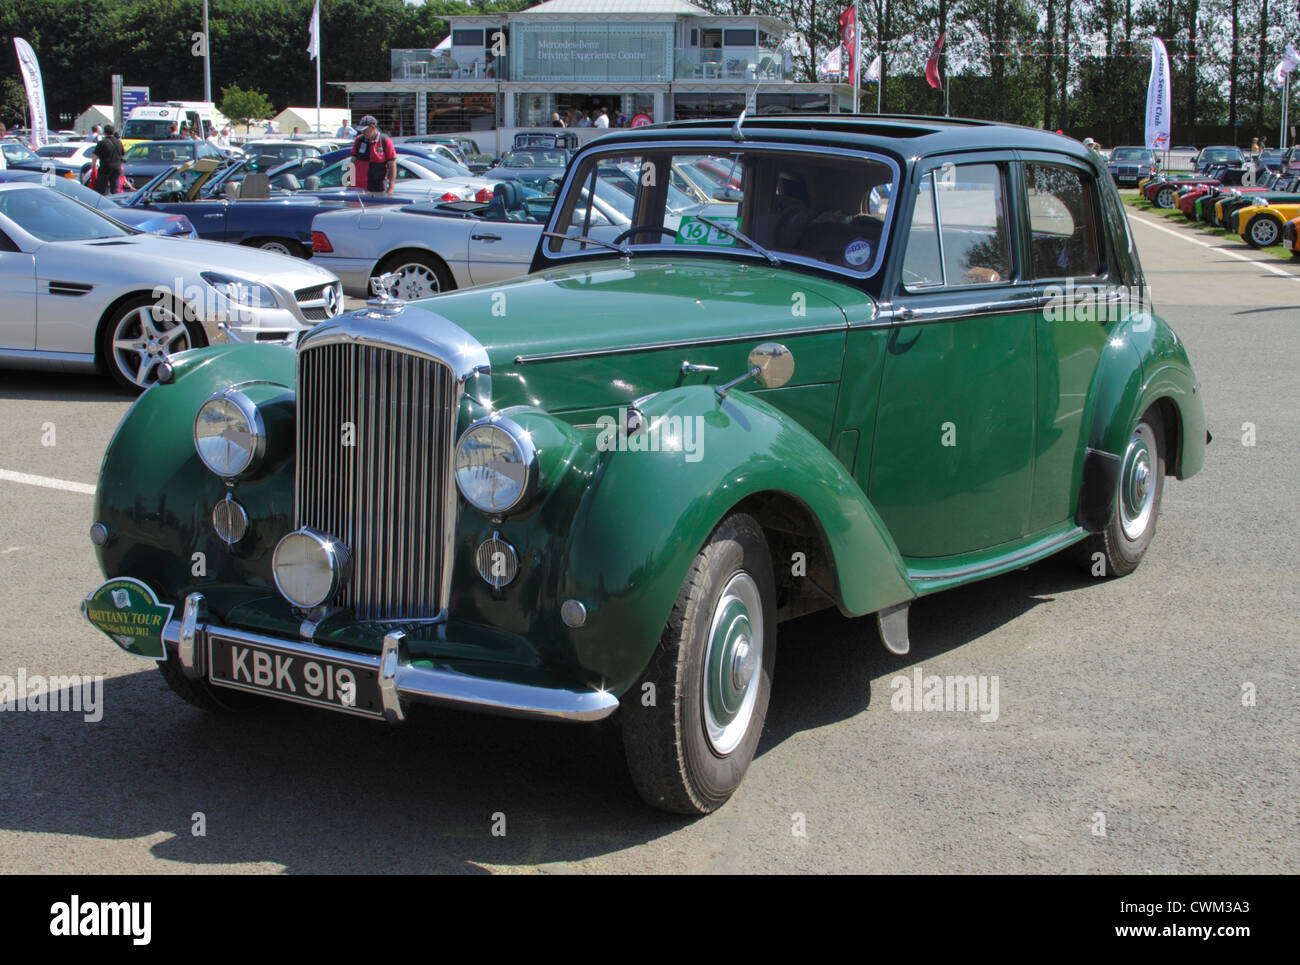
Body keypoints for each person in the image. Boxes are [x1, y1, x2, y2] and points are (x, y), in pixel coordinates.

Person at [350, 115, 396, 195]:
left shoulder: (385, 141)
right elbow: (352, 162)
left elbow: (392, 166)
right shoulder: (359, 140)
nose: (363, 132)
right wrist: (349, 183)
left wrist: (391, 188)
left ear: (372, 127)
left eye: (365, 130)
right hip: (359, 188)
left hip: (378, 188)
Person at [91, 124, 124, 196]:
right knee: (115, 190)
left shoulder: (101, 143)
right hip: (116, 168)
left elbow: (95, 156)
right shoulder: (119, 142)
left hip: (105, 168)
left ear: (104, 132)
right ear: (113, 132)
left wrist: (93, 166)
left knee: (101, 189)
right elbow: (122, 155)